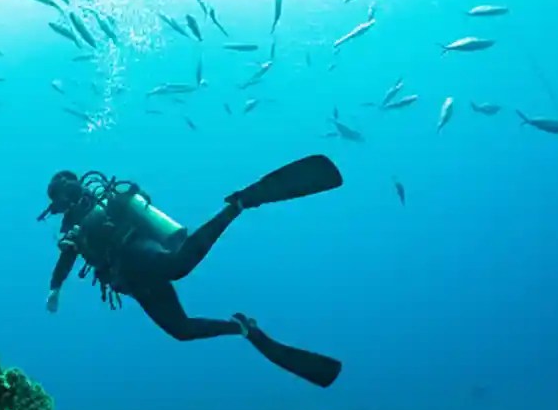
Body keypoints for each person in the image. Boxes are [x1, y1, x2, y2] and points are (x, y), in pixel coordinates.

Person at [38, 154, 345, 388]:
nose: (64, 199)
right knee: (181, 330)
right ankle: (242, 328)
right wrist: (55, 288)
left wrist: (56, 286)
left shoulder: (104, 200)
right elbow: (66, 256)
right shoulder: (71, 226)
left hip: (136, 250)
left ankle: (239, 203)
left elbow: (80, 245)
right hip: (131, 280)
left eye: (62, 193)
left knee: (178, 265)